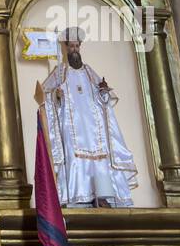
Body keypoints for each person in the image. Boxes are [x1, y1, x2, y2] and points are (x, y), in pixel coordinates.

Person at [39, 26, 137, 208]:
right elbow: (45, 95)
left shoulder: (89, 72)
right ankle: (78, 194)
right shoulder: (60, 73)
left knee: (101, 156)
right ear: (66, 48)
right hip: (71, 127)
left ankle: (102, 196)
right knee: (72, 156)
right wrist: (56, 96)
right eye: (72, 47)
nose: (75, 50)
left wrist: (103, 92)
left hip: (93, 128)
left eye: (77, 46)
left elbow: (104, 98)